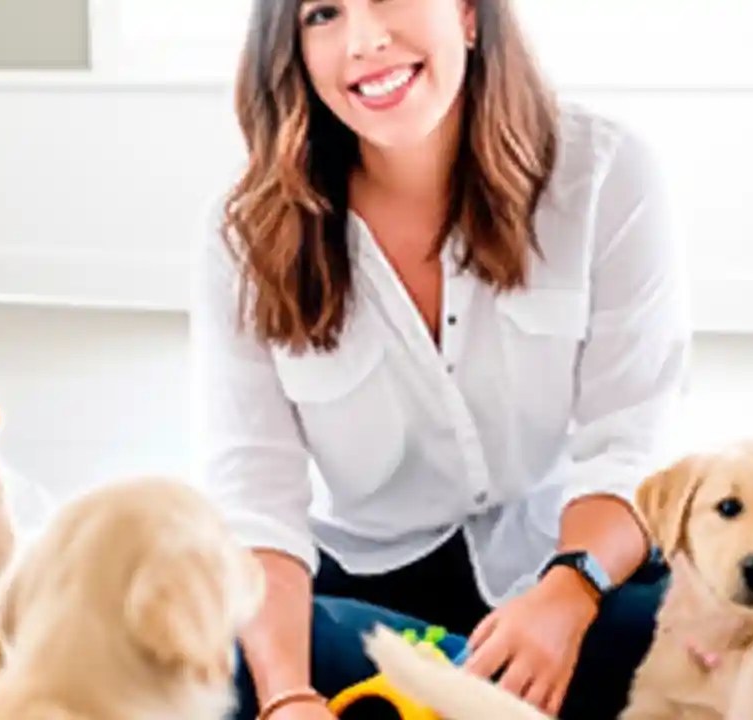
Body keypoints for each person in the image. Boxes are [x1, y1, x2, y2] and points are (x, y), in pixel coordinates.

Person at [191, 0, 691, 718]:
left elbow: (632, 436)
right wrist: (289, 698)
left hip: (570, 569)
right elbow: (254, 497)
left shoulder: (607, 171)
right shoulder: (244, 233)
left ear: (467, 13)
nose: (363, 39)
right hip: (365, 587)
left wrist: (566, 595)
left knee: (741, 632)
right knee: (195, 641)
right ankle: (472, 689)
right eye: (322, 14)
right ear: (289, 48)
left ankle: (458, 690)